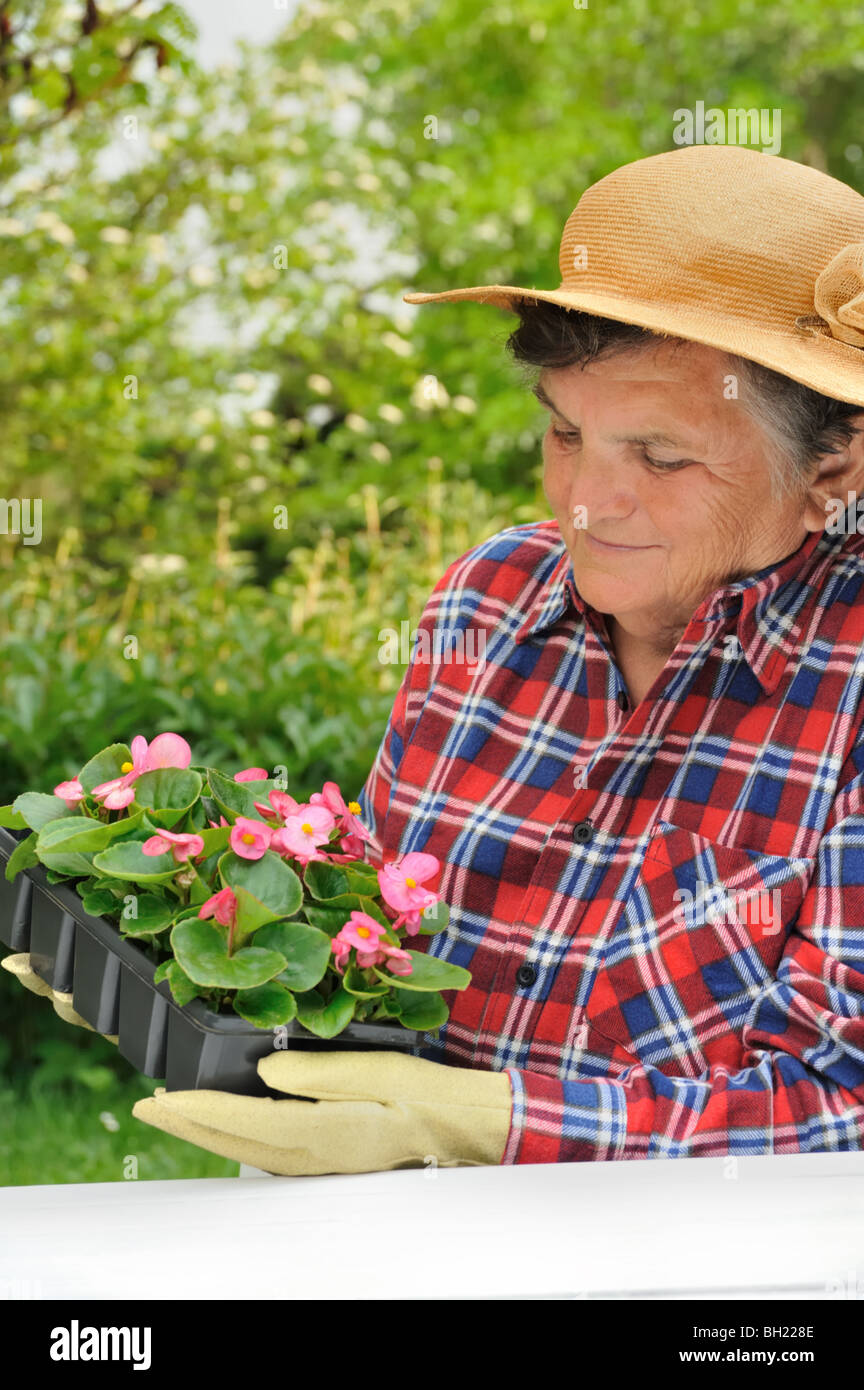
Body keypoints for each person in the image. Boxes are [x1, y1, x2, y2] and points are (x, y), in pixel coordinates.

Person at [10, 142, 864, 1173]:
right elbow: (376, 936)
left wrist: (472, 1123)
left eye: (661, 456)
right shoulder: (487, 599)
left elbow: (836, 1104)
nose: (586, 501)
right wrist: (183, 962)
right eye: (563, 435)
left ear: (835, 463)